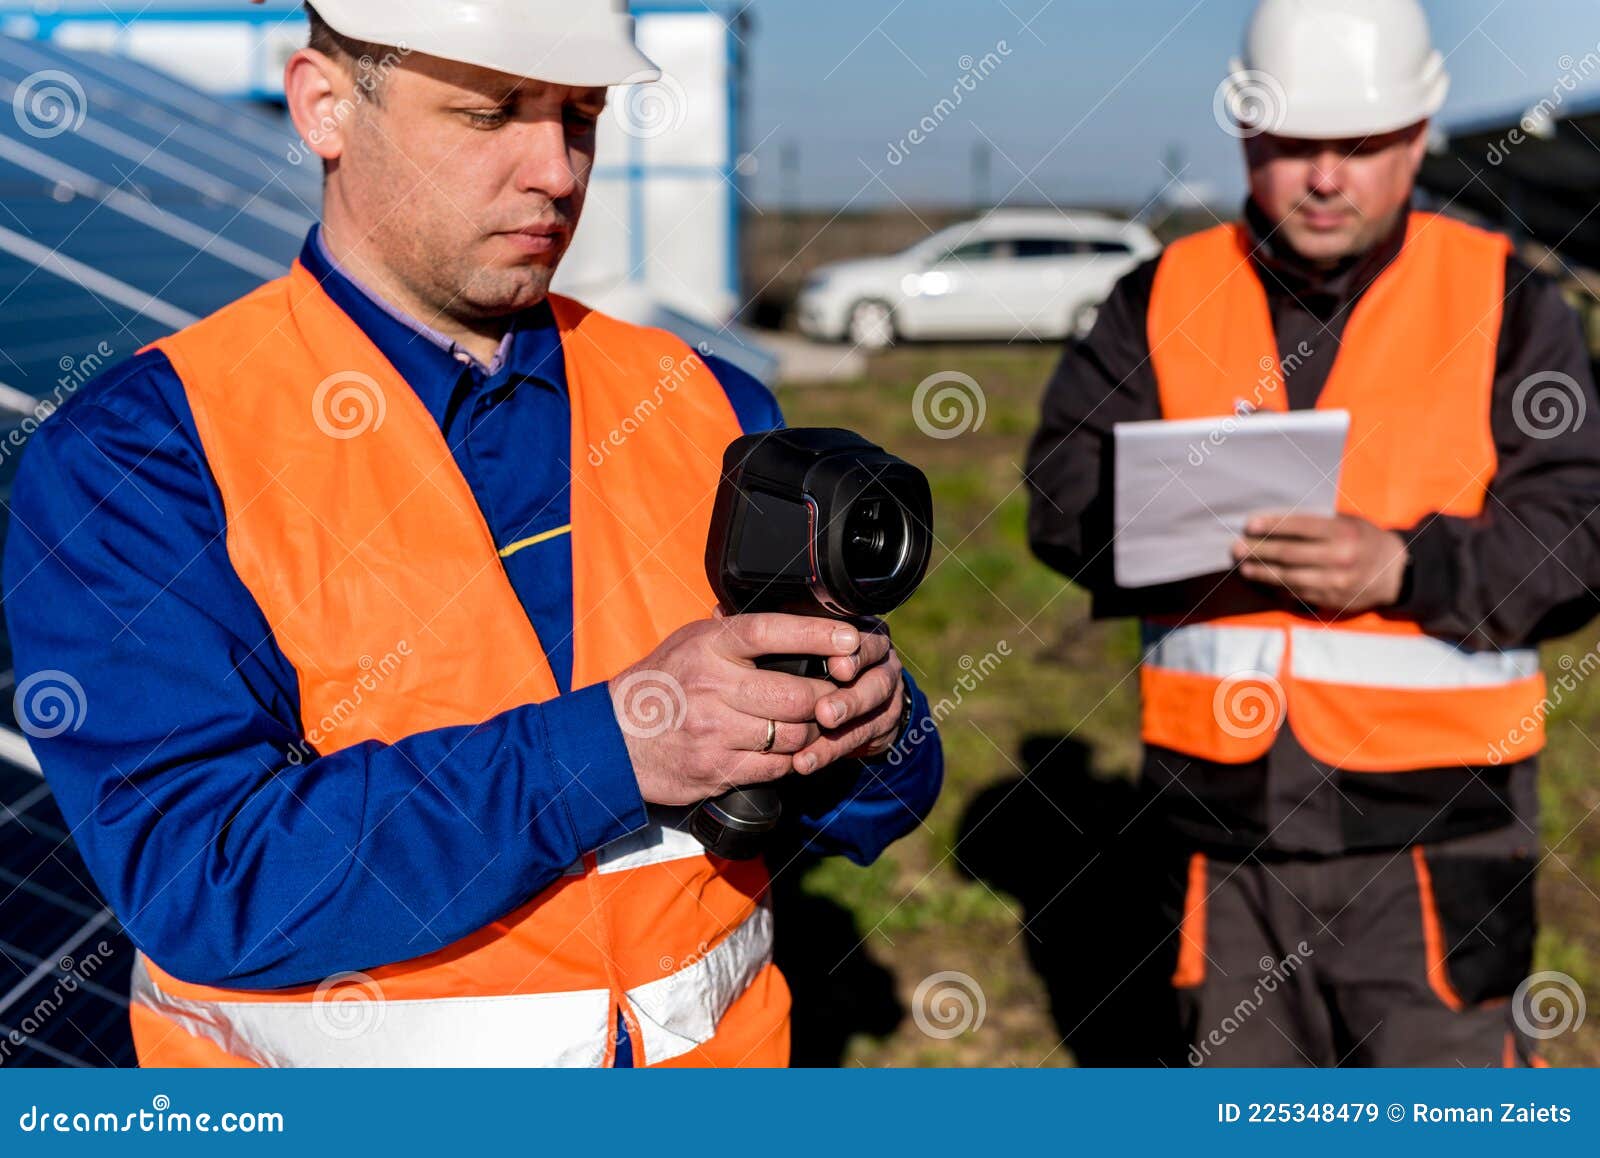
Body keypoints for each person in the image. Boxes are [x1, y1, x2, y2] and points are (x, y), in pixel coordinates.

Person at [1, 0, 942, 1068]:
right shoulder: (142, 452)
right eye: (490, 115)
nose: (555, 171)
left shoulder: (710, 405)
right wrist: (622, 745)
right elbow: (204, 877)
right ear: (323, 108)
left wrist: (869, 727)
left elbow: (866, 812)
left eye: (579, 115)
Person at [1025, 0, 1600, 1067]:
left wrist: (1406, 563)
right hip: (1221, 843)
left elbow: (1577, 532)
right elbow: (1061, 500)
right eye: (1293, 145)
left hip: (1436, 846)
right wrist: (1185, 513)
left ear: (1418, 134)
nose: (1325, 177)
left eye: (1360, 146)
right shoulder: (1157, 296)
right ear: (1246, 133)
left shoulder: (1508, 301)